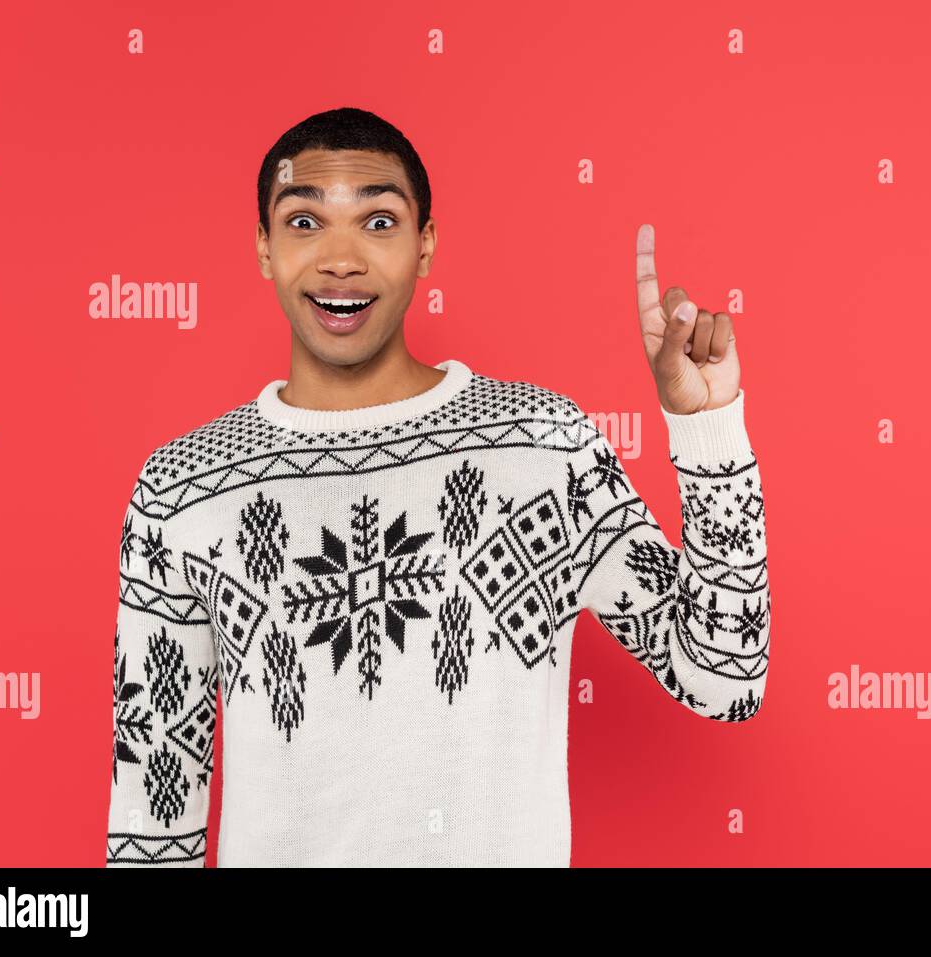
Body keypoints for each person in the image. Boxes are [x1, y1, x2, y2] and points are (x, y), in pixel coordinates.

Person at [105, 107, 771, 867]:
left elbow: (724, 675)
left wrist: (709, 431)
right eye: (304, 222)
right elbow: (154, 816)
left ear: (426, 244)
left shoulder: (542, 448)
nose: (341, 259)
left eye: (380, 221)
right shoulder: (182, 491)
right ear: (263, 246)